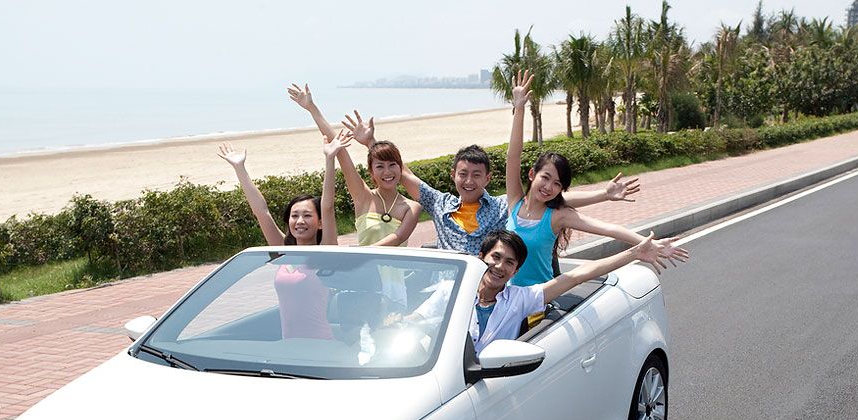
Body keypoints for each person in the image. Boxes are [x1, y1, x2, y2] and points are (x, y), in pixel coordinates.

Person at [342, 76, 641, 255]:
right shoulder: (439, 203)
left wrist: (603, 194)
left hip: (489, 291)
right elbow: (400, 172)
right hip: (448, 295)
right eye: (463, 174)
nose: (468, 181)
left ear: (488, 177)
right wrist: (371, 143)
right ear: (453, 176)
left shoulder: (501, 207)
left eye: (476, 175)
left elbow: (548, 200)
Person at [406, 229, 688, 354]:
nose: (499, 266)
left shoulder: (520, 299)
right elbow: (414, 323)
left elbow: (577, 276)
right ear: (481, 256)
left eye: (509, 263)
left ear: (516, 271)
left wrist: (635, 252)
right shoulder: (449, 291)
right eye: (495, 257)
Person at [504, 73, 662, 287]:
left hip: (538, 300)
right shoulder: (515, 202)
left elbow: (608, 228)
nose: (549, 187)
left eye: (558, 184)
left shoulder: (558, 216)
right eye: (546, 177)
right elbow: (513, 156)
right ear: (532, 175)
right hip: (506, 298)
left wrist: (648, 243)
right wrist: (519, 108)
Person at [217, 133, 351, 339]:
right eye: (294, 216)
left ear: (320, 222)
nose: (299, 221)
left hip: (320, 344)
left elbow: (328, 206)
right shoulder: (284, 251)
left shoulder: (325, 252)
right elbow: (262, 212)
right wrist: (239, 168)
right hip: (288, 344)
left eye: (307, 216)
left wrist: (330, 158)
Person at [287, 83, 421, 247]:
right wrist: (312, 108)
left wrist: (360, 254)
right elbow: (341, 151)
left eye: (392, 165)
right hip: (364, 271)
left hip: (393, 271)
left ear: (400, 168)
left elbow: (398, 237)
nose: (387, 172)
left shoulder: (412, 207)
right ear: (371, 172)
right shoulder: (363, 197)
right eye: (379, 166)